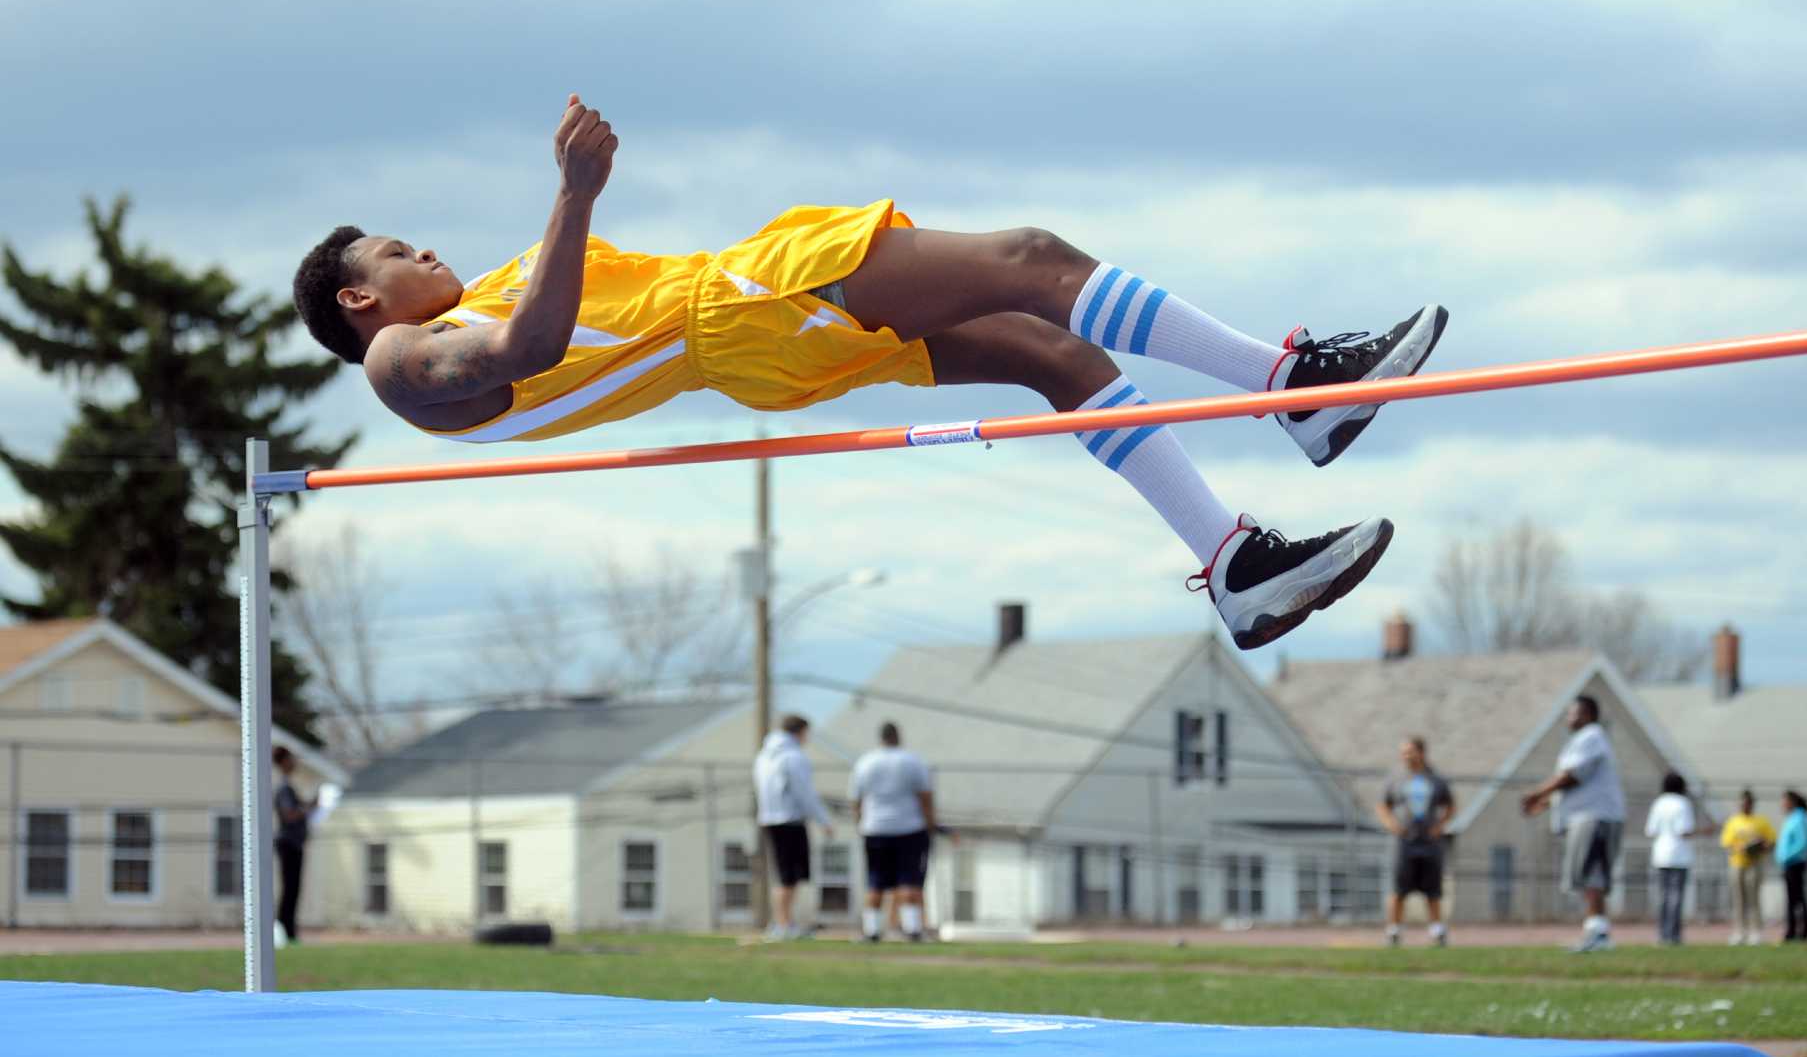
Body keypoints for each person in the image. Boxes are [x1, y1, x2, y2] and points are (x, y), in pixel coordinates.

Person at [292, 96, 1450, 653]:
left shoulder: (477, 289)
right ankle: (1295, 384)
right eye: (396, 253)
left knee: (1050, 351)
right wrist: (576, 191)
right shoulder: (400, 361)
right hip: (744, 308)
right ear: (358, 301)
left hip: (749, 320)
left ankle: (1229, 558)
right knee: (1033, 263)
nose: (422, 250)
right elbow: (526, 354)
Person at [1520, 695, 1627, 953]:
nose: (1569, 719)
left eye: (1574, 713)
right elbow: (1573, 785)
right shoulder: (1582, 740)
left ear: (1588, 714)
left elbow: (1572, 776)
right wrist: (1546, 803)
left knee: (1591, 874)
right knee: (1592, 874)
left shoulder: (1591, 736)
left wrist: (1537, 793)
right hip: (1587, 816)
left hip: (1594, 817)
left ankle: (1597, 933)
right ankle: (1597, 931)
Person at [849, 722, 936, 943]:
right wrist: (930, 824)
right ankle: (912, 930)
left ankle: (872, 932)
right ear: (899, 737)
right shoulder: (913, 761)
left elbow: (856, 799)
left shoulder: (865, 763)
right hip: (909, 828)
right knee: (908, 880)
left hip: (875, 828)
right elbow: (925, 796)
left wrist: (859, 822)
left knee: (875, 881)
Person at [753, 714, 834, 940]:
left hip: (769, 819)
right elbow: (804, 793)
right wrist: (823, 820)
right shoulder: (793, 757)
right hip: (789, 819)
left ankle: (783, 923)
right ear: (799, 731)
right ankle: (783, 925)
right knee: (790, 876)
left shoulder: (763, 756)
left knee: (784, 875)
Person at [1375, 736, 1455, 947]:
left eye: (1410, 751)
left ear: (1421, 752)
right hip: (1404, 841)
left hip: (1429, 841)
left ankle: (1437, 930)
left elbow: (1450, 805)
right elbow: (1383, 805)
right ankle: (1394, 930)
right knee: (1398, 888)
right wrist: (1391, 824)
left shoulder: (1435, 779)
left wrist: (1439, 826)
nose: (1406, 756)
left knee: (1433, 889)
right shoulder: (1395, 778)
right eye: (1403, 752)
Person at [1645, 771, 1699, 946]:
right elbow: (1684, 830)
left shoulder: (1658, 803)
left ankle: (1662, 934)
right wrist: (1703, 831)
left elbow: (1651, 831)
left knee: (1663, 896)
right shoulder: (1683, 803)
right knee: (1675, 897)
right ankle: (1673, 935)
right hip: (1679, 855)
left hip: (1660, 854)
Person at [1720, 789, 1774, 947]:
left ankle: (1756, 932)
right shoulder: (1733, 822)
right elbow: (1727, 843)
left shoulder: (1761, 821)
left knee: (1754, 899)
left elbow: (1770, 841)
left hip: (1755, 863)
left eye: (1747, 803)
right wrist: (1741, 847)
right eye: (1742, 803)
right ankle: (1739, 932)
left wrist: (1761, 844)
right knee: (1739, 899)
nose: (1744, 806)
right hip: (1737, 864)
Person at [272, 745, 311, 946]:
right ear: (284, 762)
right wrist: (308, 808)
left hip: (294, 844)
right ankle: (284, 932)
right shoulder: (284, 788)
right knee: (289, 889)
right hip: (289, 844)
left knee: (293, 889)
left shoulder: (289, 787)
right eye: (292, 759)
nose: (295, 763)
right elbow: (289, 815)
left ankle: (289, 932)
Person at [1778, 789, 1807, 943]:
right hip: (1789, 863)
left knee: (1797, 899)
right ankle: (1792, 931)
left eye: (1784, 801)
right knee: (1792, 899)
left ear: (1792, 802)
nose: (1782, 804)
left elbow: (1802, 843)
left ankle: (1801, 932)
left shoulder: (1799, 818)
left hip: (1795, 863)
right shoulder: (1791, 818)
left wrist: (1787, 856)